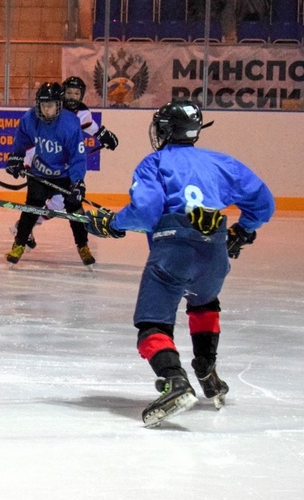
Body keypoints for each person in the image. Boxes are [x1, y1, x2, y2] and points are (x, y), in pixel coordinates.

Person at [83, 99, 275, 427]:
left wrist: (112, 223)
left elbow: (145, 212)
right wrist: (242, 231)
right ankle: (208, 372)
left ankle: (175, 382)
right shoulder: (221, 162)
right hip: (214, 250)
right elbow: (264, 202)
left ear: (166, 130)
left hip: (174, 249)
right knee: (204, 303)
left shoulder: (154, 163)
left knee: (152, 325)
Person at [13, 75, 119, 249]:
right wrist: (23, 162)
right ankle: (25, 227)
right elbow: (28, 140)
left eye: (76, 93)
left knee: (59, 204)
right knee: (38, 201)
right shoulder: (45, 110)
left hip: (63, 170)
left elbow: (89, 128)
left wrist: (104, 135)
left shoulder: (80, 114)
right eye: (68, 92)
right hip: (41, 164)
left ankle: (25, 225)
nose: (72, 97)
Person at [4, 81, 92, 268]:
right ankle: (19, 244)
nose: (46, 109)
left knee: (75, 209)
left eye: (50, 105)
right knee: (32, 207)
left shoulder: (70, 124)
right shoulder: (30, 118)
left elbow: (77, 156)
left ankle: (83, 246)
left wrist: (77, 182)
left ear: (58, 104)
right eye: (43, 105)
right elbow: (22, 139)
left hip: (64, 175)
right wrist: (16, 158)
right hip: (40, 172)